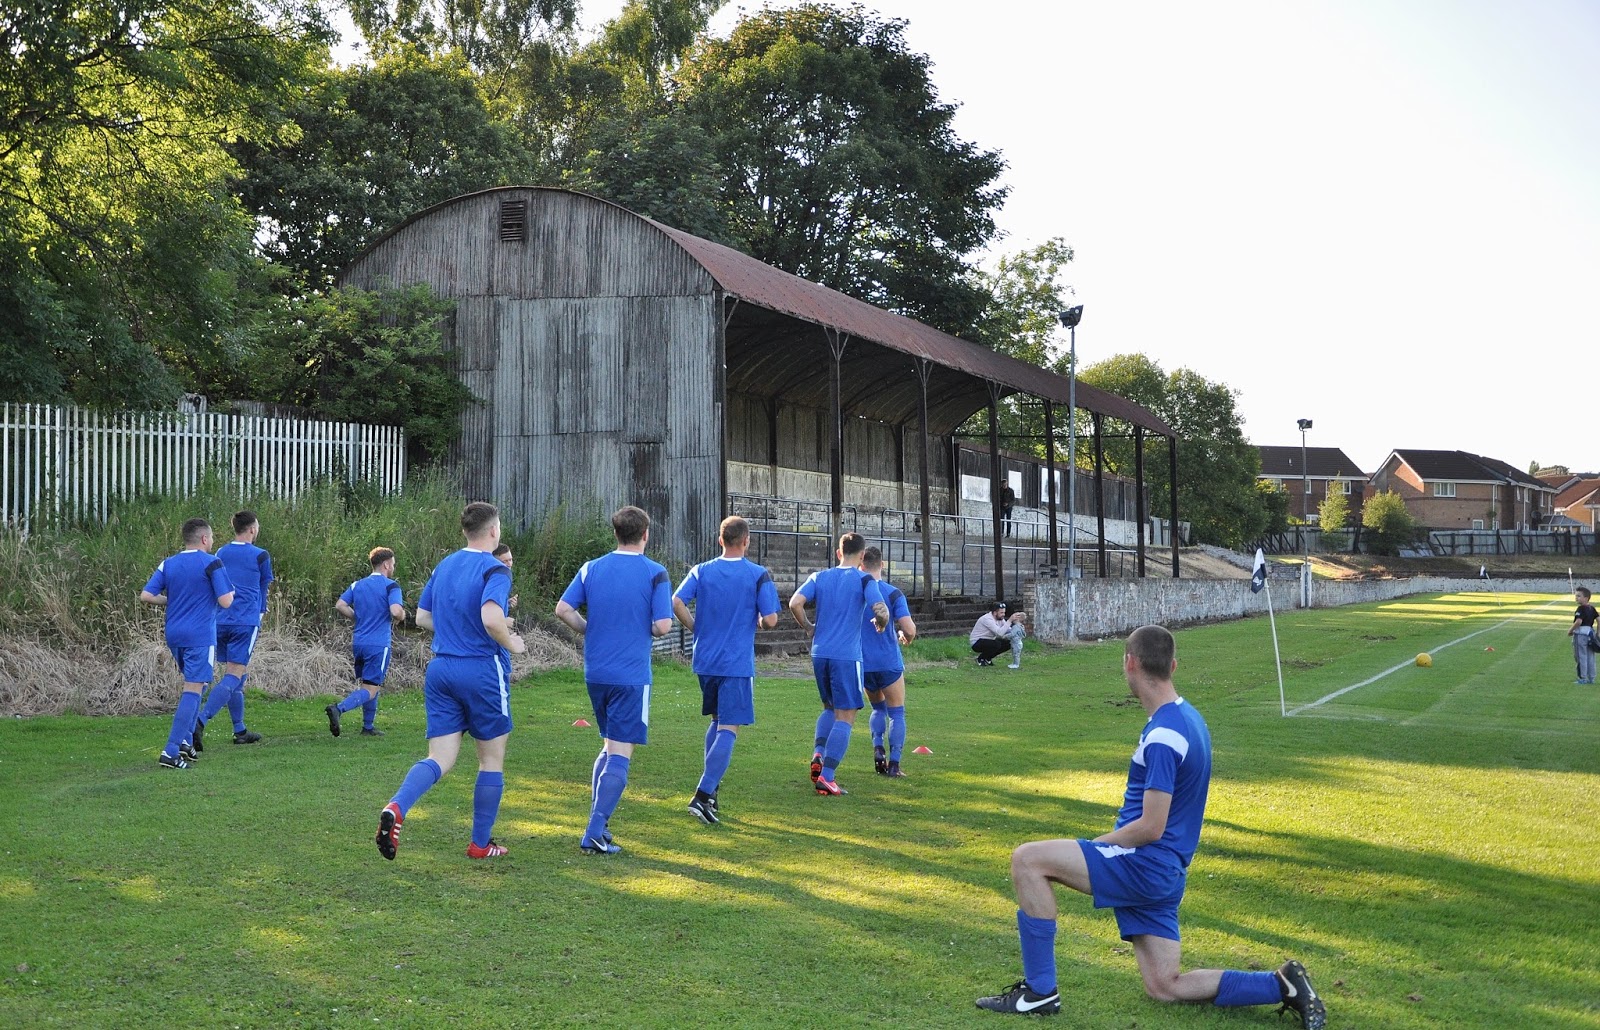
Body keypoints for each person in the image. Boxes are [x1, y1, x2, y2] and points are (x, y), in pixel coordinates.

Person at [975, 625, 1326, 1029]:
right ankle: (1282, 984)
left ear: (1130, 663)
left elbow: (1151, 826)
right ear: (1172, 666)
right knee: (1164, 985)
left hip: (1144, 864)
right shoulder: (1188, 717)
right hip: (1166, 871)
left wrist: (1098, 845)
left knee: (1028, 860)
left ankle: (1040, 993)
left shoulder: (1164, 736)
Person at [375, 502, 525, 862]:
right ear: (494, 531)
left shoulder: (444, 566)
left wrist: (456, 631)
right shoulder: (496, 569)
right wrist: (512, 643)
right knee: (491, 760)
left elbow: (423, 617)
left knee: (439, 757)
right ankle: (479, 844)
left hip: (441, 669)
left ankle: (397, 806)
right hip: (481, 670)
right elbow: (492, 619)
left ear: (465, 532)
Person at [555, 505, 673, 855]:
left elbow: (563, 609)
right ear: (646, 534)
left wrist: (588, 629)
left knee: (608, 746)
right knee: (621, 751)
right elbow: (663, 626)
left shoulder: (591, 567)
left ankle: (599, 825)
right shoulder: (655, 572)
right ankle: (594, 831)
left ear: (616, 533)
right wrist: (640, 627)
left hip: (596, 672)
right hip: (631, 674)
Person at [672, 515, 781, 824]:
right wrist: (760, 620)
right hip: (735, 663)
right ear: (746, 541)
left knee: (717, 720)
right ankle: (702, 794)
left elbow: (677, 601)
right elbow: (771, 620)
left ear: (720, 540)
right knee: (729, 727)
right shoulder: (757, 574)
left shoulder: (701, 570)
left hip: (705, 660)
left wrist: (696, 628)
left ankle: (712, 791)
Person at [788, 532, 890, 796]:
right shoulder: (864, 579)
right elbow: (881, 609)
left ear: (838, 552)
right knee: (846, 715)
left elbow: (795, 603)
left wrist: (809, 627)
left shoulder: (819, 576)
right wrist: (881, 623)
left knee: (829, 707)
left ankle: (819, 754)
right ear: (863, 556)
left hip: (819, 653)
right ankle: (827, 776)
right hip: (846, 656)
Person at [139, 518, 235, 769]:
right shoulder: (212, 562)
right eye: (211, 537)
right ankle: (171, 750)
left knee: (199, 684)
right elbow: (226, 601)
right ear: (204, 538)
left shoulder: (168, 563)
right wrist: (231, 592)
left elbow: (146, 595)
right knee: (193, 688)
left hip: (174, 634)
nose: (212, 541)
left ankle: (185, 740)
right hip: (200, 635)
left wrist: (169, 601)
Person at [195, 510, 273, 749]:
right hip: (245, 621)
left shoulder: (221, 552)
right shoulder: (261, 555)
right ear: (252, 529)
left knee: (237, 676)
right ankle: (200, 720)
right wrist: (261, 613)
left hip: (220, 619)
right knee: (234, 674)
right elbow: (264, 586)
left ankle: (240, 730)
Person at [328, 547, 406, 737]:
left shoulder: (357, 585)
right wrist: (402, 615)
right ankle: (338, 709)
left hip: (359, 642)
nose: (393, 568)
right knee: (370, 689)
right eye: (393, 564)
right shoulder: (391, 586)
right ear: (386, 565)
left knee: (370, 684)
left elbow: (340, 605)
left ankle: (368, 727)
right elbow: (396, 611)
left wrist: (357, 618)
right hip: (378, 644)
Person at [860, 547, 916, 778]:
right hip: (888, 662)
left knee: (877, 708)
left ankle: (878, 748)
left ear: (861, 565)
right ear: (882, 564)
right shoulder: (892, 593)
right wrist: (905, 636)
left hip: (864, 663)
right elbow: (909, 629)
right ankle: (894, 765)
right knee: (896, 713)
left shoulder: (856, 593)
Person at [971, 601, 1027, 668]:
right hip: (977, 642)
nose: (1003, 614)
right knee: (996, 644)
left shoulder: (1000, 618)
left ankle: (988, 658)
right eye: (1001, 613)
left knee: (1009, 642)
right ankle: (981, 659)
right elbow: (999, 633)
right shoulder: (987, 619)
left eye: (1004, 612)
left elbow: (1007, 629)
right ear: (995, 613)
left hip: (989, 641)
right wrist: (1009, 620)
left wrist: (1017, 629)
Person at [1569, 586, 1597, 685]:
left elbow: (1578, 622)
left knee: (1581, 656)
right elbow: (1599, 620)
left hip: (1580, 635)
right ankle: (1591, 677)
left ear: (1586, 598)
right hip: (1590, 634)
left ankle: (1582, 677)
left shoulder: (1581, 609)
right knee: (1590, 656)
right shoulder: (1592, 608)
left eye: (1579, 596)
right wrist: (1598, 633)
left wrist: (1570, 630)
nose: (1576, 598)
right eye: (1576, 596)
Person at [492, 542, 518, 625]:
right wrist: (503, 621)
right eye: (505, 561)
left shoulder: (504, 577)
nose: (509, 564)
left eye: (510, 560)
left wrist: (507, 604)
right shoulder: (496, 580)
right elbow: (489, 609)